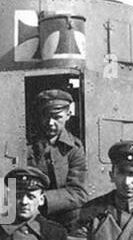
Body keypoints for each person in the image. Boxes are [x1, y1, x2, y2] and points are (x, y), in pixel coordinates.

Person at [26, 88, 88, 223]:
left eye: (57, 117)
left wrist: (44, 199)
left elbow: (78, 193)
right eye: (46, 116)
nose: (50, 123)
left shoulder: (74, 149)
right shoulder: (28, 146)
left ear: (68, 115)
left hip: (62, 217)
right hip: (29, 212)